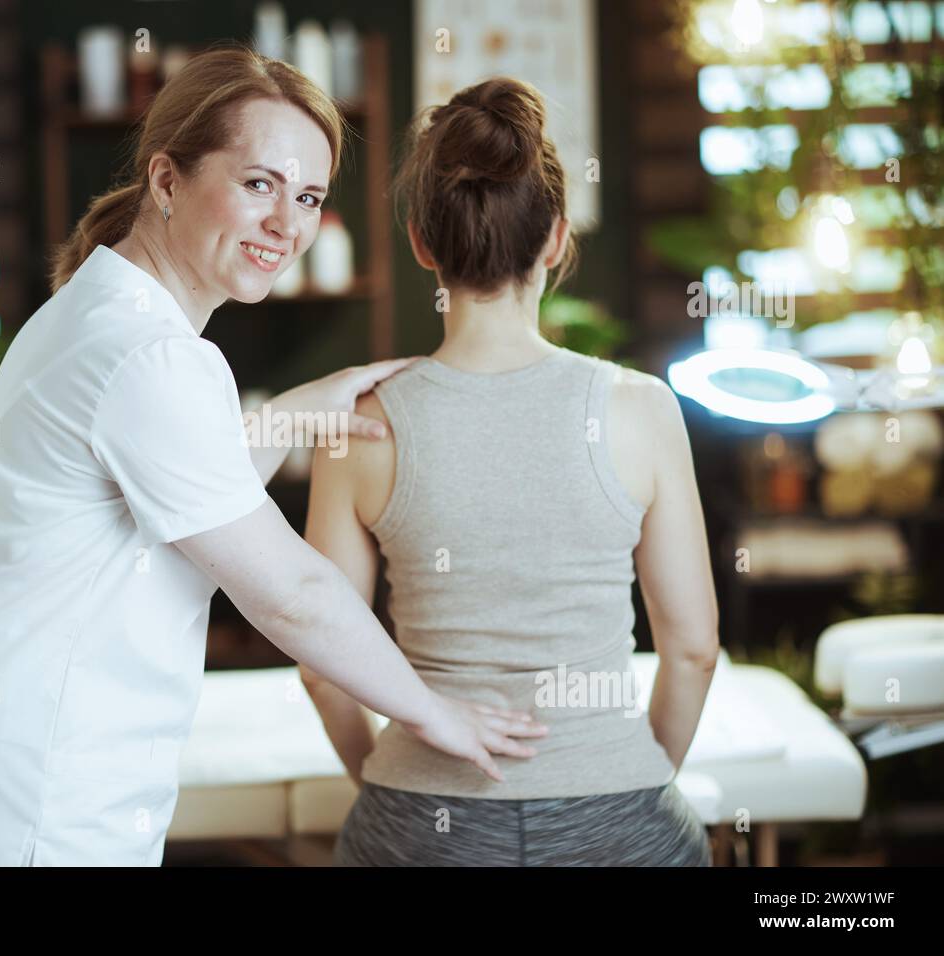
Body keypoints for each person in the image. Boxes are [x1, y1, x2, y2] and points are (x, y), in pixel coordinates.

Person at [0, 48, 541, 867]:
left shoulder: (97, 316)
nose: (287, 225)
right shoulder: (149, 355)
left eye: (310, 197)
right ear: (166, 180)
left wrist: (289, 415)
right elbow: (290, 594)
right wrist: (437, 713)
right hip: (34, 798)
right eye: (258, 183)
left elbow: (159, 505)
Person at [301, 77, 719, 866]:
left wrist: (387, 782)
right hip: (615, 815)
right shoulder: (642, 410)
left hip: (420, 819)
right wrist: (629, 779)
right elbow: (693, 648)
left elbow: (324, 666)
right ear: (557, 239)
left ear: (422, 242)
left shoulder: (357, 424)